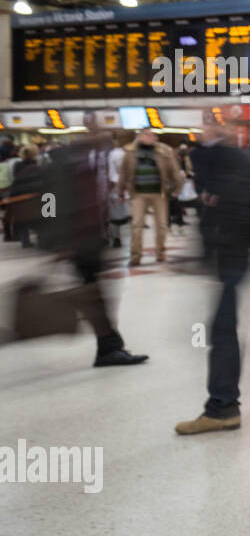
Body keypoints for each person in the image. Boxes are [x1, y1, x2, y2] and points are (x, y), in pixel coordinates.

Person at [39, 126, 149, 368]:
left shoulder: (93, 163)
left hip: (92, 239)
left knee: (96, 295)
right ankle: (109, 347)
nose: (106, 139)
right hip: (77, 242)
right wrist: (58, 242)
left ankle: (110, 346)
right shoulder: (64, 163)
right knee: (93, 296)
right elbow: (49, 203)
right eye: (101, 134)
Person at [174, 135, 250, 435]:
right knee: (224, 330)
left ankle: (223, 406)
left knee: (223, 332)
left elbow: (221, 208)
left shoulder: (222, 159)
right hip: (234, 256)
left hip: (232, 256)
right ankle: (224, 404)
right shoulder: (236, 158)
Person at [119, 128, 183, 267]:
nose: (153, 137)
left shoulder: (165, 151)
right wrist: (120, 191)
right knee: (136, 225)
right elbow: (123, 173)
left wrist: (177, 188)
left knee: (161, 225)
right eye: (148, 135)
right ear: (140, 137)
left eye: (154, 135)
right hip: (138, 194)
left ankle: (160, 252)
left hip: (159, 194)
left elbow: (175, 171)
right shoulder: (130, 152)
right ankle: (135, 256)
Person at [8, 144, 41, 247]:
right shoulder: (37, 167)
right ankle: (42, 239)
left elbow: (12, 179)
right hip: (34, 197)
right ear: (35, 154)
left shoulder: (15, 166)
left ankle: (25, 241)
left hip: (18, 195)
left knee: (21, 219)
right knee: (43, 216)